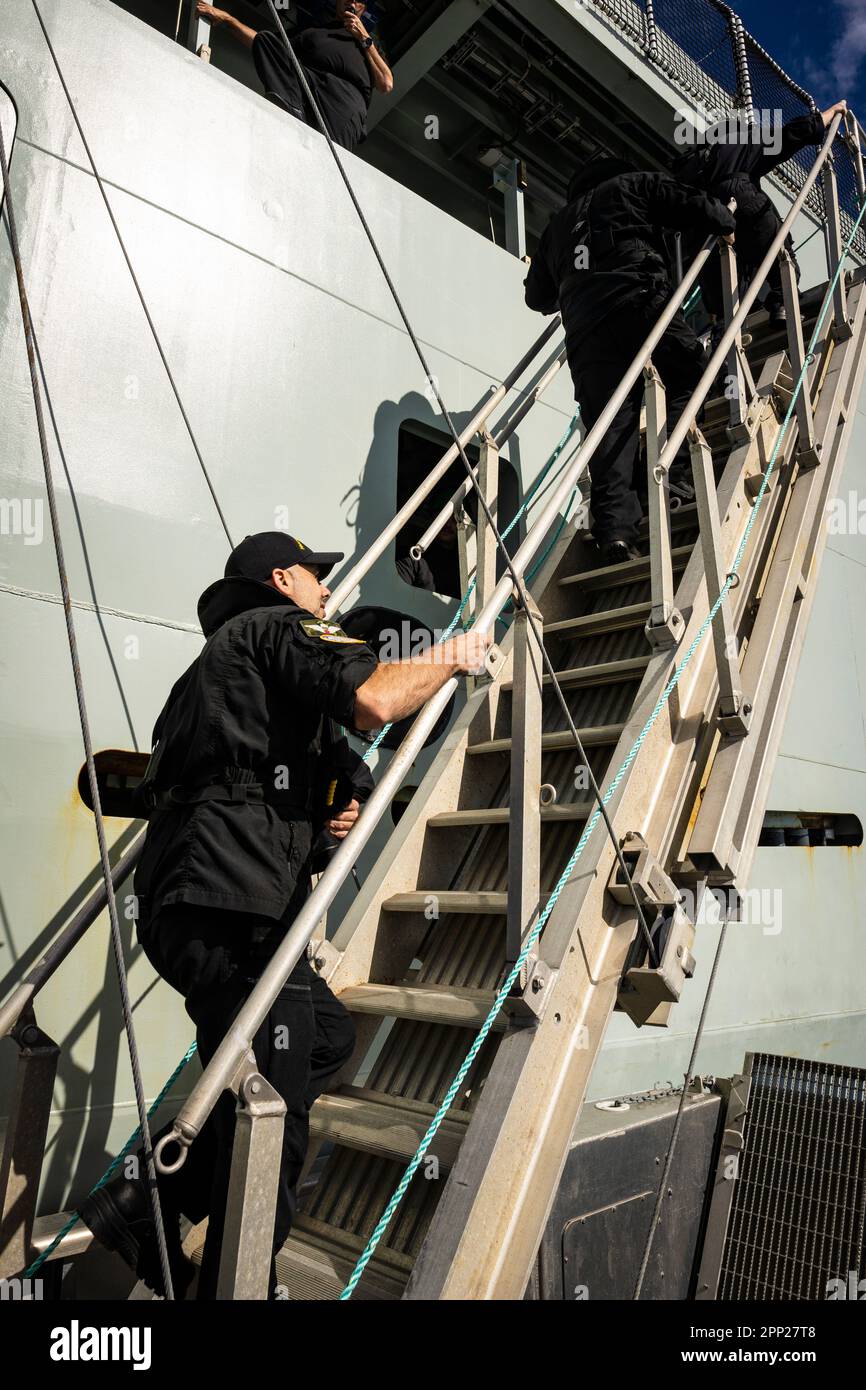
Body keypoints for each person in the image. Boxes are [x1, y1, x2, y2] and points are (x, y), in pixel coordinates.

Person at [80, 531, 490, 1299]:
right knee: (278, 1102)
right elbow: (373, 700)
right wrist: (456, 655)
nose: (328, 592)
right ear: (281, 579)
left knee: (323, 1040)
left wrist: (324, 815)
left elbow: (249, 775)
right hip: (234, 904)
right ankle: (239, 1279)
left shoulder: (212, 666)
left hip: (191, 900)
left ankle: (149, 1200)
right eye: (317, 578)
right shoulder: (282, 625)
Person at [524, 159, 736, 564]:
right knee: (691, 373)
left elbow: (537, 297)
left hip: (586, 334)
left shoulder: (556, 228)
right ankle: (669, 477)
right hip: (639, 298)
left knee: (610, 424)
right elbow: (688, 201)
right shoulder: (630, 184)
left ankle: (616, 534)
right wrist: (726, 219)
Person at [676, 101, 848, 331]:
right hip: (738, 196)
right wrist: (827, 115)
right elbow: (787, 138)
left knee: (725, 292)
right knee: (781, 257)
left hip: (701, 223)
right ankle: (782, 304)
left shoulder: (693, 164)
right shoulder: (740, 143)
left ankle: (724, 331)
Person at [195, 0, 393, 152]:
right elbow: (265, 45)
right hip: (306, 88)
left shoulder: (369, 44)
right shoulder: (313, 32)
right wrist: (229, 21)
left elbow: (385, 83)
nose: (352, 2)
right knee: (267, 40)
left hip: (343, 103)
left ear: (363, 8)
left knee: (326, 159)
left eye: (358, 0)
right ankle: (291, 110)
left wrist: (364, 39)